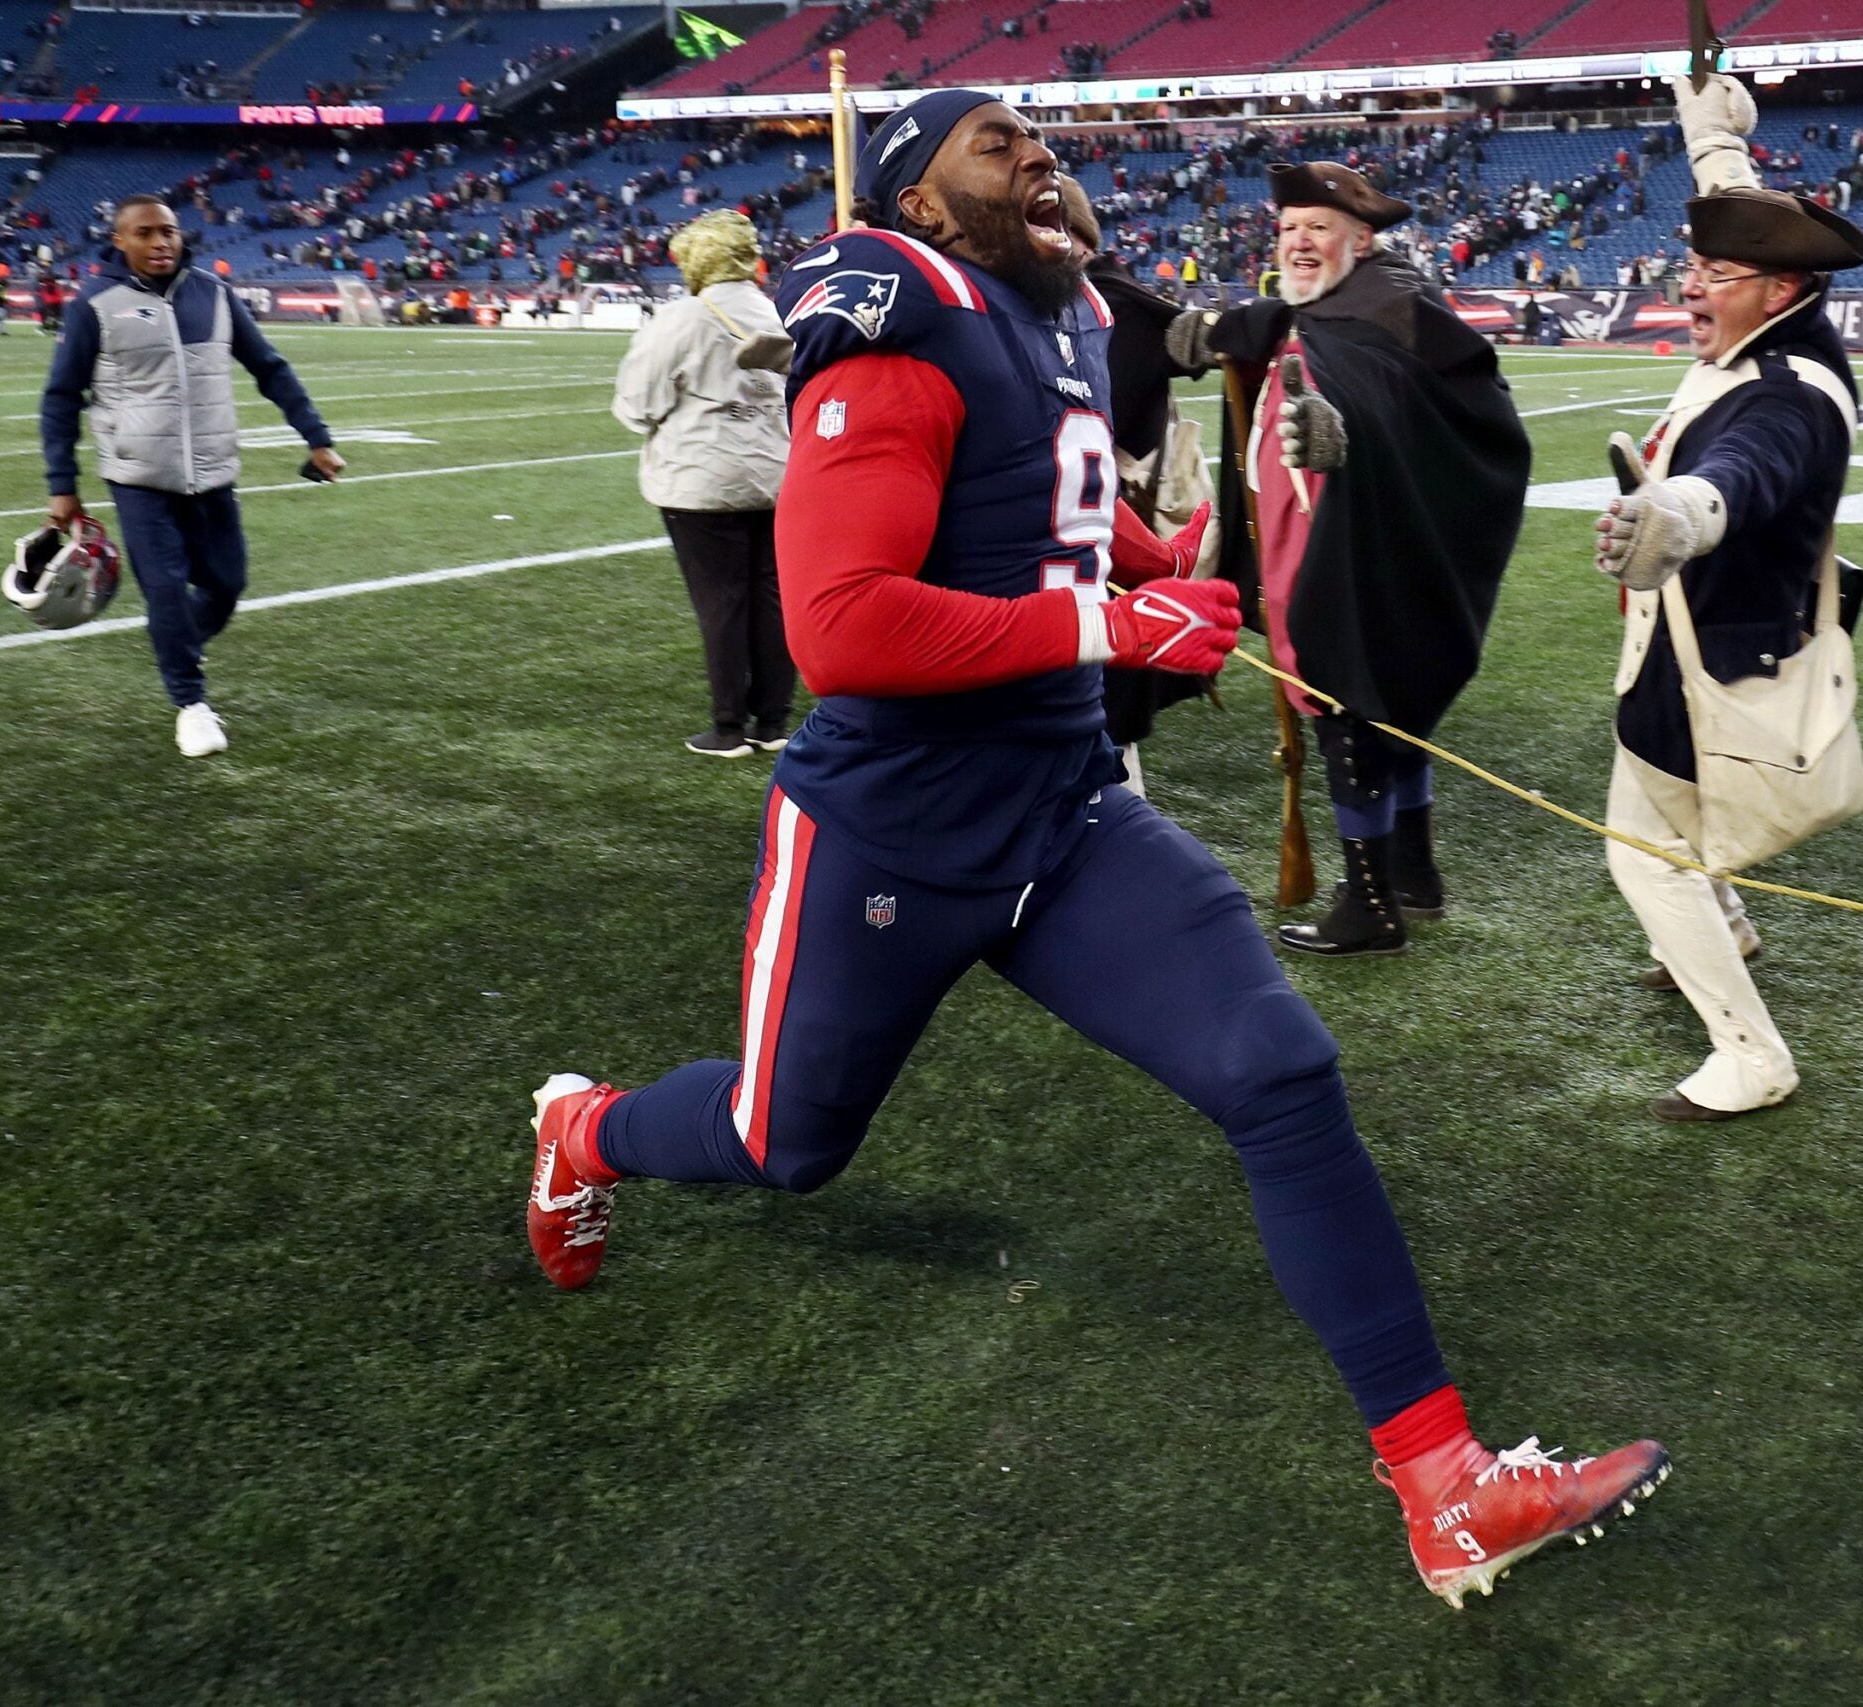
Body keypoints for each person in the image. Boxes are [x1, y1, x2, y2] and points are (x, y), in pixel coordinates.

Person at [521, 91, 1668, 1609]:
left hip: (1062, 807)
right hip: (896, 826)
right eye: (996, 145)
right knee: (780, 1145)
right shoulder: (906, 316)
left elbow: (1065, 522)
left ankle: (1443, 1479)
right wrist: (1108, 623)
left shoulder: (1045, 312)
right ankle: (586, 1130)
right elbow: (842, 623)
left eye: (1041, 139)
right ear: (918, 203)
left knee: (1280, 1073)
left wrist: (1177, 569)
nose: (1040, 157)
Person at [1589, 74, 1863, 1122]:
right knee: (1666, 821)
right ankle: (1732, 921)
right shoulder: (1774, 328)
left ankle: (1751, 1055)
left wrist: (1679, 516)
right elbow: (1742, 212)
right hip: (1697, 638)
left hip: (1712, 656)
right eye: (1691, 265)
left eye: (1715, 274)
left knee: (1643, 855)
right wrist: (1709, 138)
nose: (1692, 288)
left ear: (1781, 292)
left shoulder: (1788, 394)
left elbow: (1740, 473)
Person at [1175, 162, 1531, 956]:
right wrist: (1222, 330)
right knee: (1393, 712)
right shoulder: (1344, 301)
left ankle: (1370, 905)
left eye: (1320, 229)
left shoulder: (1389, 310)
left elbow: (1383, 394)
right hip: (1334, 537)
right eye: (1289, 228)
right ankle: (1413, 874)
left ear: (1360, 241)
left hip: (1357, 550)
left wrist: (1347, 430)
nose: (1300, 242)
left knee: (1349, 704)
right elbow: (1286, 314)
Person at [40, 193, 344, 756]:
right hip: (138, 476)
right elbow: (61, 396)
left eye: (169, 232)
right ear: (120, 241)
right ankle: (191, 704)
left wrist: (316, 437)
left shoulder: (216, 293)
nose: (161, 243)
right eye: (147, 234)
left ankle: (176, 641)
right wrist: (62, 484)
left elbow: (269, 367)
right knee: (165, 590)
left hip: (214, 471)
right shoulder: (95, 305)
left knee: (227, 584)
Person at [612, 211, 799, 758]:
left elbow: (637, 405)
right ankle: (773, 719)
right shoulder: (780, 312)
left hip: (699, 482)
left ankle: (726, 726)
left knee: (721, 602)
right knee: (771, 597)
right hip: (776, 476)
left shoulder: (680, 320)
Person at [1055, 174, 1216, 797]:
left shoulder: (1114, 306)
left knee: (1101, 726)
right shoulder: (1063, 302)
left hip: (1100, 540)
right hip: (1083, 542)